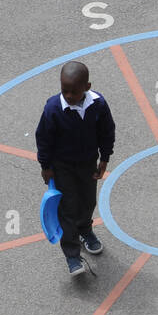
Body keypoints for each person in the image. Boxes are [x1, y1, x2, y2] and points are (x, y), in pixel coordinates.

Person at [35, 61, 116, 276]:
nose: (69, 95)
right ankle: (72, 255)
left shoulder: (98, 104)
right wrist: (46, 166)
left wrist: (104, 158)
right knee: (68, 208)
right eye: (64, 90)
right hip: (62, 168)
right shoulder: (53, 108)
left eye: (74, 91)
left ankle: (85, 230)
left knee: (88, 200)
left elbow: (107, 131)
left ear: (87, 87)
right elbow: (43, 138)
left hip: (88, 163)